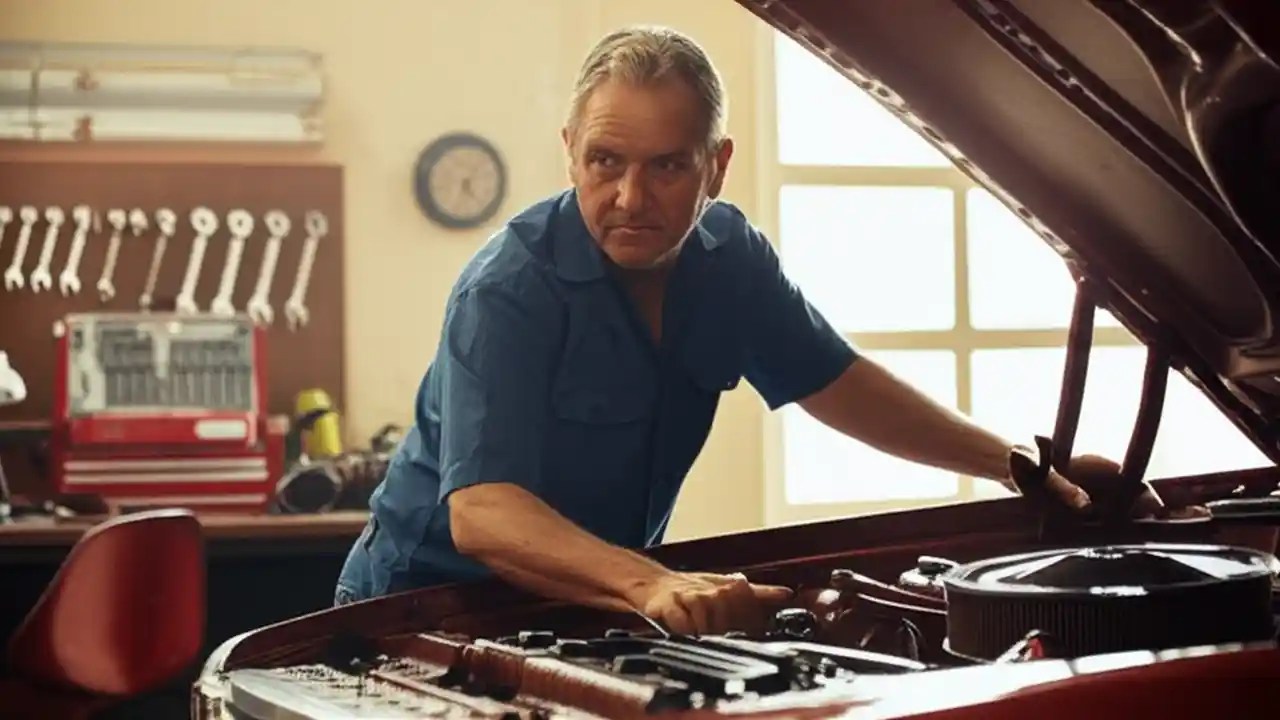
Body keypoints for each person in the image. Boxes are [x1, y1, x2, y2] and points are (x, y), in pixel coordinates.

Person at [334, 25, 1174, 634]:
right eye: (605, 162)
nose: (630, 198)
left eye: (666, 166)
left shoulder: (729, 258)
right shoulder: (509, 287)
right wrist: (652, 584)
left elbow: (839, 385)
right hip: (414, 608)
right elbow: (484, 512)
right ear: (569, 152)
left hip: (587, 602)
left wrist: (1019, 468)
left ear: (717, 164)